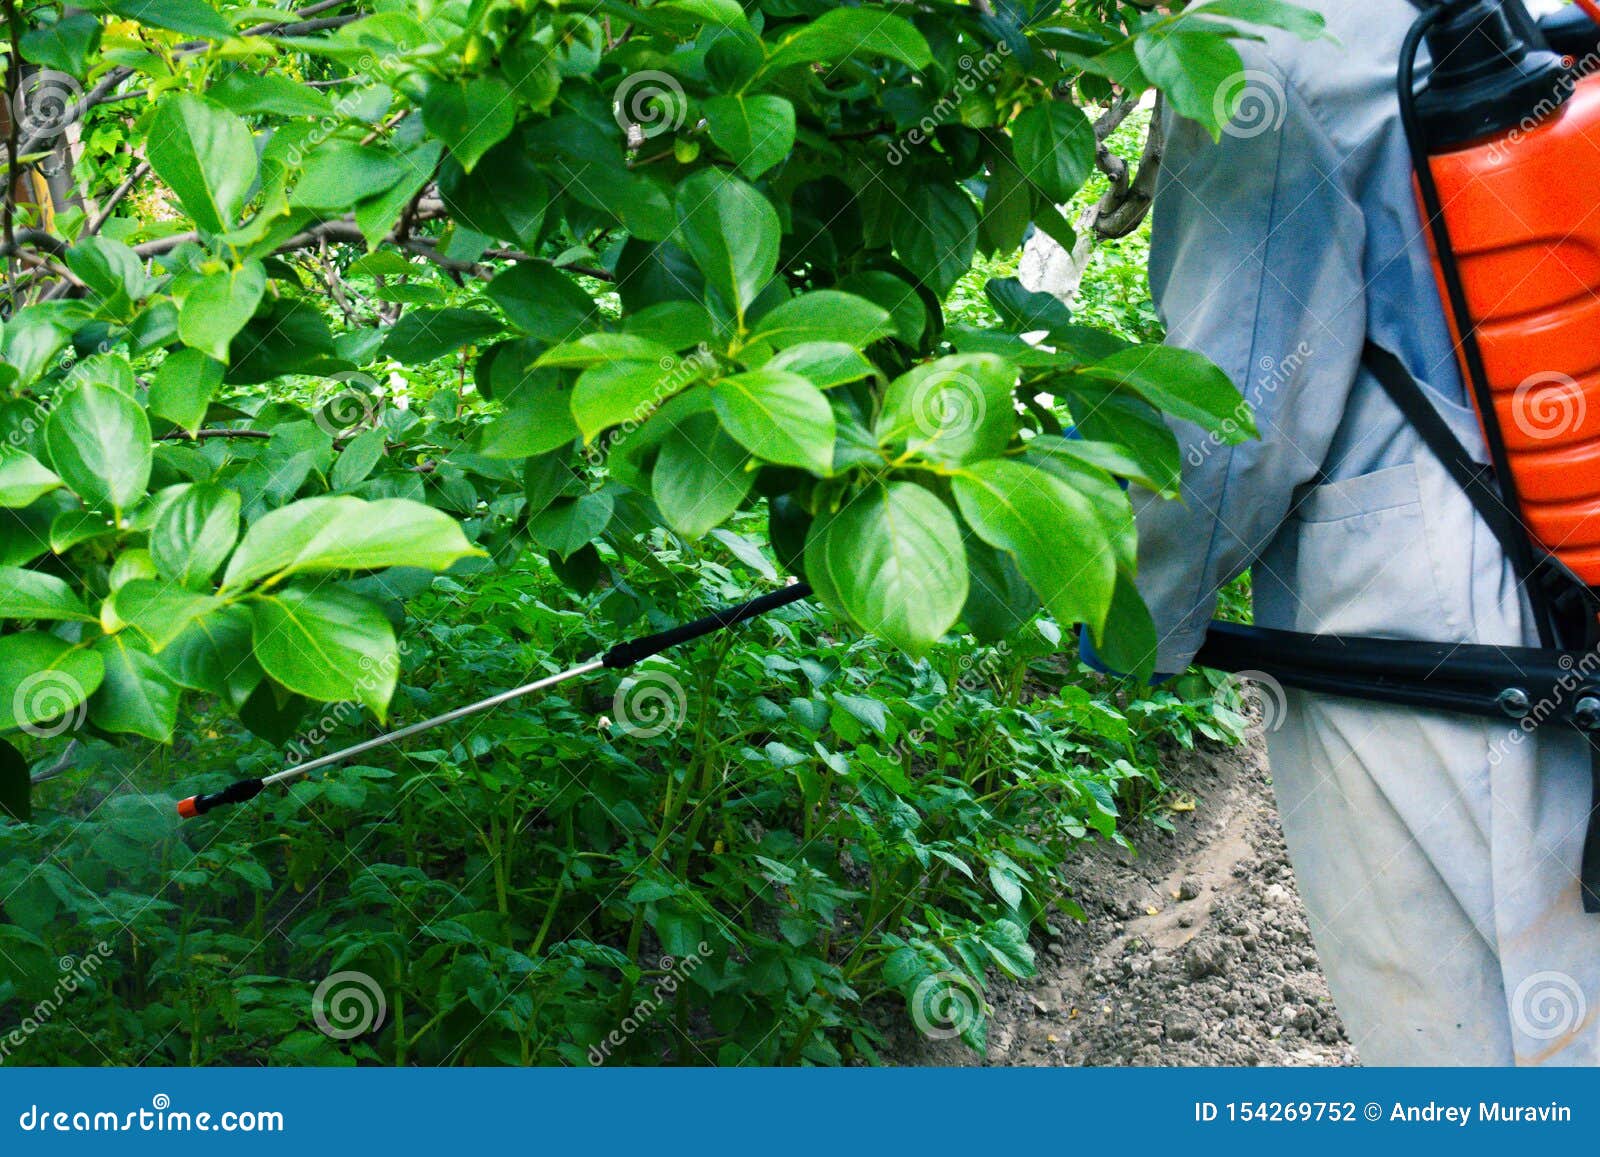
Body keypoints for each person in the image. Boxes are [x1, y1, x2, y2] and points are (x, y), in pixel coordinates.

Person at [1134, 0, 1600, 1064]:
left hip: (1419, 623)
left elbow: (1225, 421)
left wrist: (1115, 605)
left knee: (1464, 1042)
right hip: (1568, 545)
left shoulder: (1257, 46)